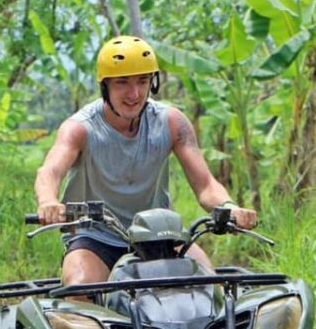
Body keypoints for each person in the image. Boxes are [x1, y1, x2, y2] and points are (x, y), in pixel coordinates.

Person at [34, 35, 257, 287]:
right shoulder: (81, 128)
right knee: (79, 290)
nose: (135, 93)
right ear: (105, 86)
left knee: (209, 288)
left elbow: (206, 185)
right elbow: (49, 171)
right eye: (122, 83)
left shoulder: (171, 122)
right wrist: (48, 202)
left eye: (143, 81)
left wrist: (229, 207)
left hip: (159, 234)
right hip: (96, 237)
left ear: (154, 82)